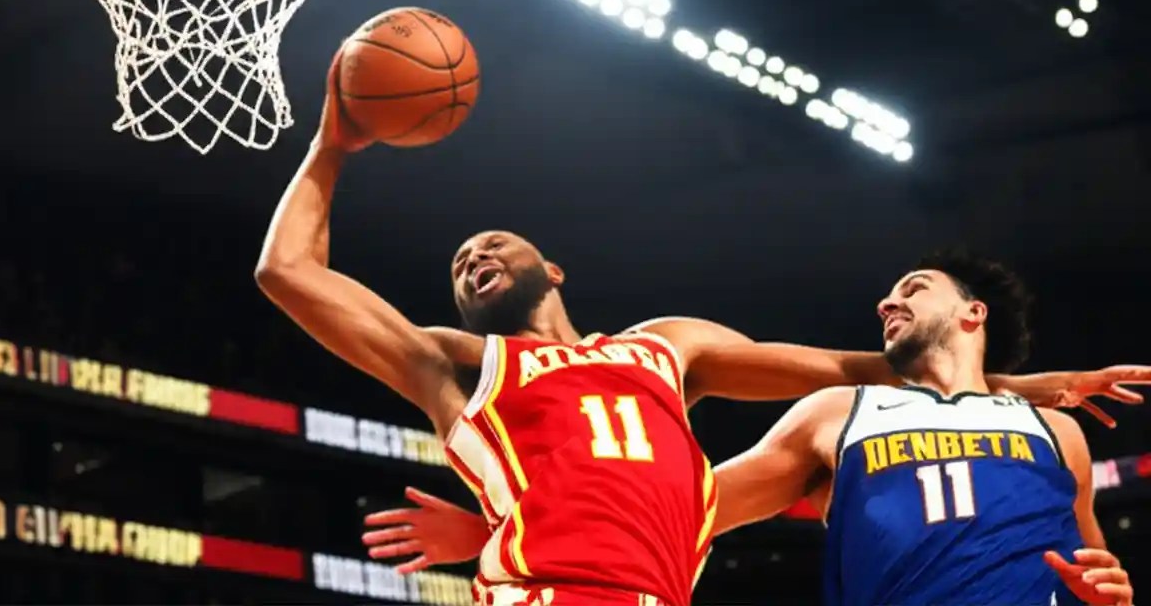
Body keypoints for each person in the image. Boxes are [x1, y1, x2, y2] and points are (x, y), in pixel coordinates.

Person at [257, 57, 1147, 606]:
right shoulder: (459, 365)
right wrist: (334, 143)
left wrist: (1027, 389)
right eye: (460, 262)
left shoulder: (666, 346)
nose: (475, 255)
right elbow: (288, 275)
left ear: (553, 268)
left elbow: (861, 364)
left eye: (493, 242)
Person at [362, 251, 1139, 606]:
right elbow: (671, 505)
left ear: (974, 314)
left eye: (914, 287)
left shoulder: (1055, 434)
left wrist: (1116, 595)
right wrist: (500, 528)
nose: (888, 302)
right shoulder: (840, 413)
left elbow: (1096, 573)